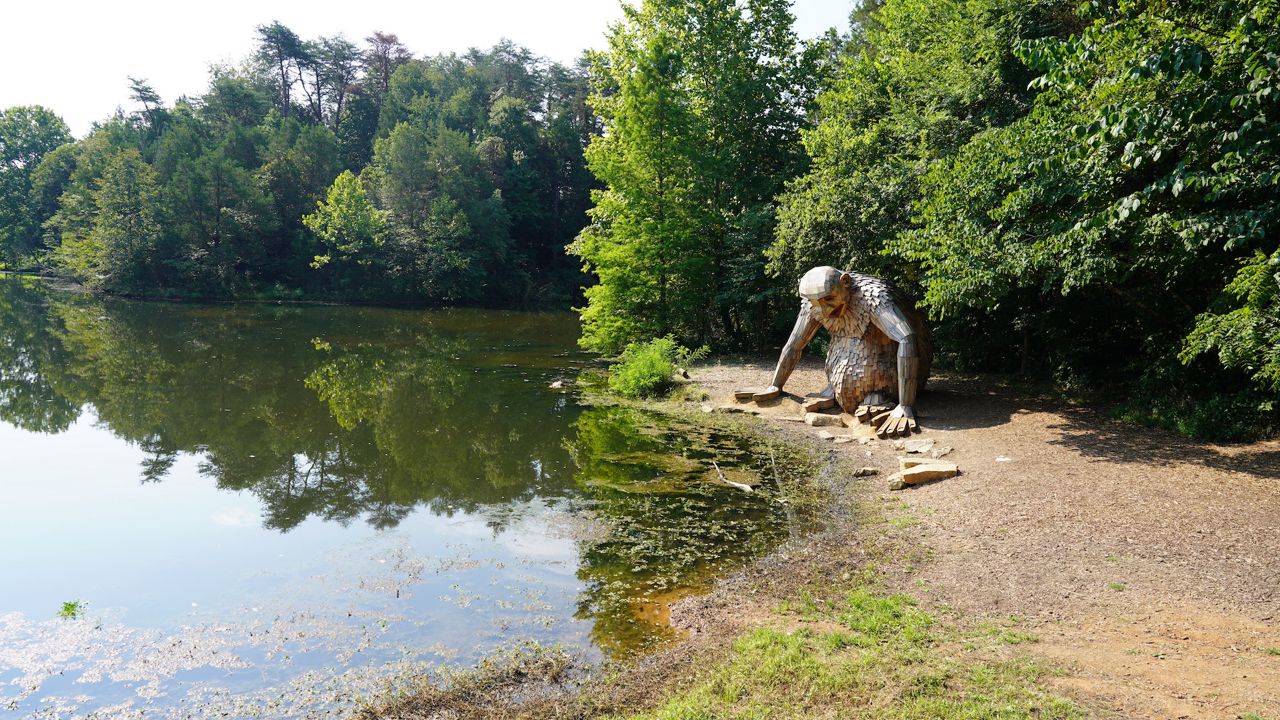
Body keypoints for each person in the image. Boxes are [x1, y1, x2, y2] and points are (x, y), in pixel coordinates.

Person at [739, 266, 931, 437]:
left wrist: (905, 405)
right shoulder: (813, 303)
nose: (825, 311)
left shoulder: (873, 297)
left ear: (845, 282)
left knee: (872, 356)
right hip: (840, 368)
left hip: (885, 371)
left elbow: (907, 337)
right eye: (817, 303)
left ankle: (880, 396)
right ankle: (837, 391)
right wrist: (775, 385)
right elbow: (794, 345)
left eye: (829, 299)